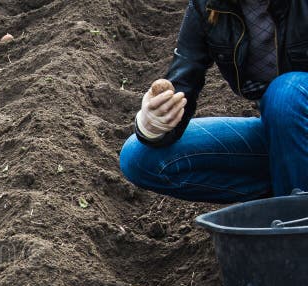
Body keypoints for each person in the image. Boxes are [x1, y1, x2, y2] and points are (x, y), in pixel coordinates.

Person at [119, 0, 308, 203]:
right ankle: (289, 191)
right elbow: (182, 84)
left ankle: (293, 220)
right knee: (139, 157)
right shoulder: (208, 5)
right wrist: (155, 122)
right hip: (288, 141)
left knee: (287, 92)